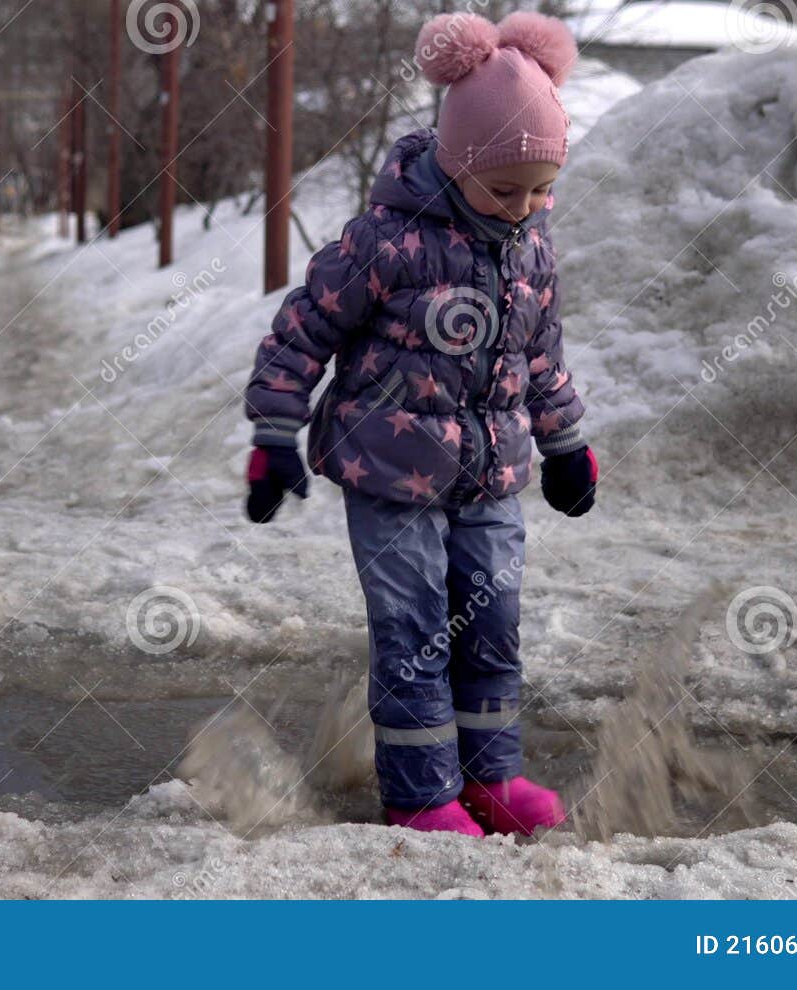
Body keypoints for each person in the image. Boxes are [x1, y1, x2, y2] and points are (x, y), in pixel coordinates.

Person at [242, 10, 596, 837]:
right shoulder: (388, 241)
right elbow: (303, 330)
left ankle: (491, 778)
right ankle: (418, 793)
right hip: (390, 473)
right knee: (415, 629)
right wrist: (272, 433)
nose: (524, 207)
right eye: (504, 188)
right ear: (453, 159)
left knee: (493, 621)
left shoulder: (533, 249)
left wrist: (566, 442)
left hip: (493, 474)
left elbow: (539, 354)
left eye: (543, 188)